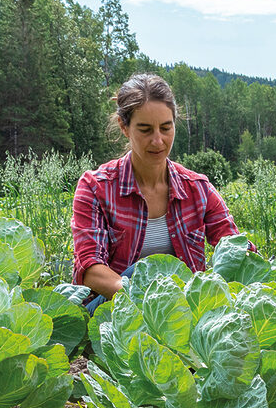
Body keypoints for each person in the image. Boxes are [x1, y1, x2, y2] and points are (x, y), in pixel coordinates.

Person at [71, 73, 243, 311]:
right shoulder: (96, 187)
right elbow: (90, 269)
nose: (158, 141)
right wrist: (150, 298)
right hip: (114, 309)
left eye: (165, 128)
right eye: (145, 129)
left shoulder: (198, 189)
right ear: (124, 127)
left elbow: (235, 250)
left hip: (181, 312)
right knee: (140, 273)